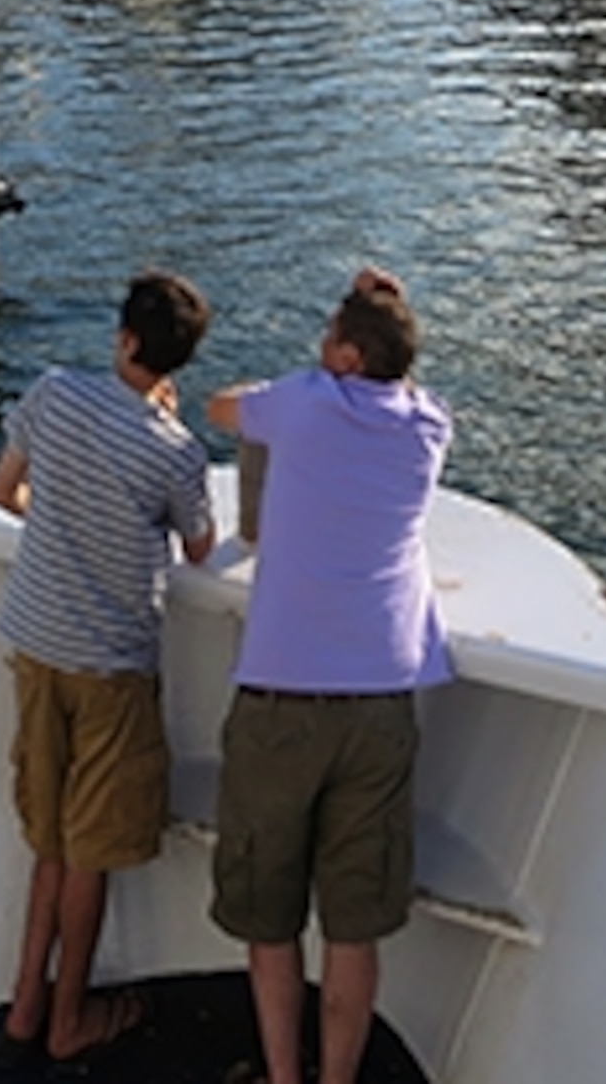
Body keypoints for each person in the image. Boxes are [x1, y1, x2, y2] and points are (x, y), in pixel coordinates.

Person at [204, 266, 451, 1084]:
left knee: (270, 916)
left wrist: (319, 366)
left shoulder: (304, 403)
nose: (320, 341)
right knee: (354, 928)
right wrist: (383, 315)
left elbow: (221, 406)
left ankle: (284, 1076)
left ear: (347, 358)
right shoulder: (429, 426)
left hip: (283, 696)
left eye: (330, 334)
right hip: (382, 699)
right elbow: (399, 380)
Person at [0, 270, 219, 1067]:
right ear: (176, 364)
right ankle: (69, 1019)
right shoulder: (176, 452)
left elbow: (3, 490)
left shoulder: (54, 393)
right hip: (112, 666)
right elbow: (199, 546)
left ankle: (26, 1006)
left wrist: (53, 515)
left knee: (49, 842)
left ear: (123, 338)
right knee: (87, 853)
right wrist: (166, 428)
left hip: (36, 645)